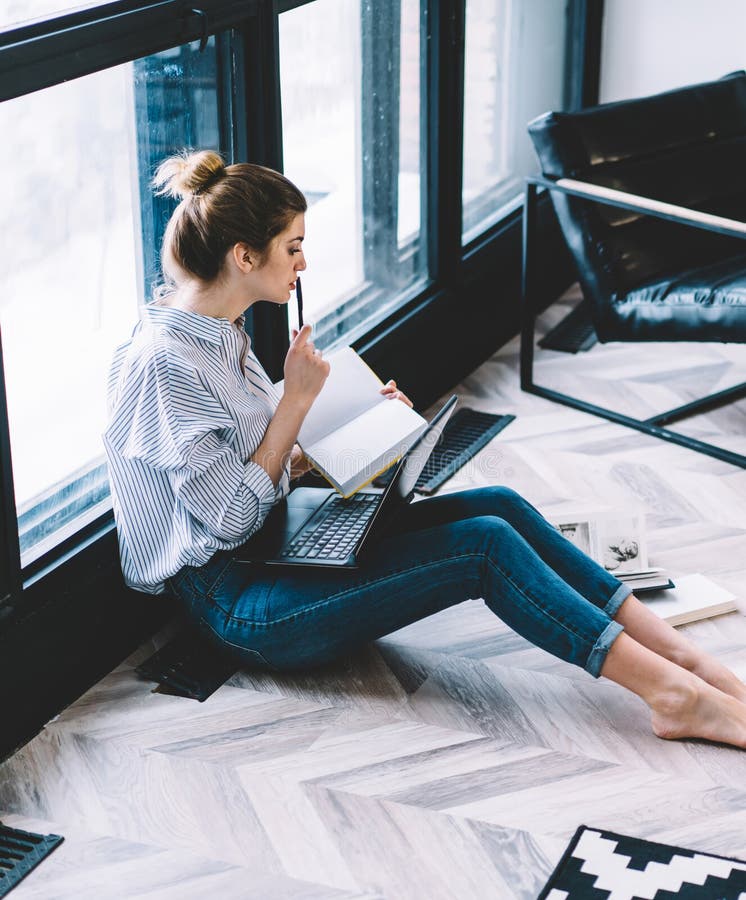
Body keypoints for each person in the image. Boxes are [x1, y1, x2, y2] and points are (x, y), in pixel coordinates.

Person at [104, 149, 746, 750]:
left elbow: (258, 465)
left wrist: (356, 422)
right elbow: (229, 519)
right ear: (245, 257)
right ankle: (673, 695)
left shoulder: (217, 334)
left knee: (499, 504)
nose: (303, 264)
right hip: (238, 603)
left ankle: (686, 660)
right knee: (482, 549)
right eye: (293, 248)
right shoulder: (167, 362)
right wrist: (295, 402)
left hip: (275, 549)